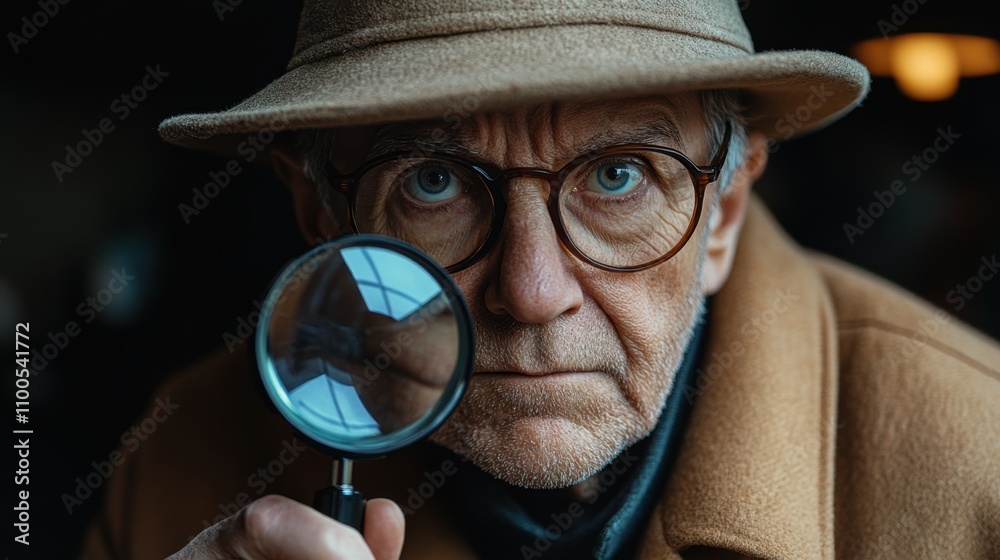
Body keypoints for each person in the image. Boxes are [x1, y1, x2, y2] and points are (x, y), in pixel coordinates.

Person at [81, 0, 1000, 559]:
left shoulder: (982, 473)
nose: (530, 292)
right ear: (322, 215)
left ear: (723, 211)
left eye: (619, 176)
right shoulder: (182, 458)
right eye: (434, 183)